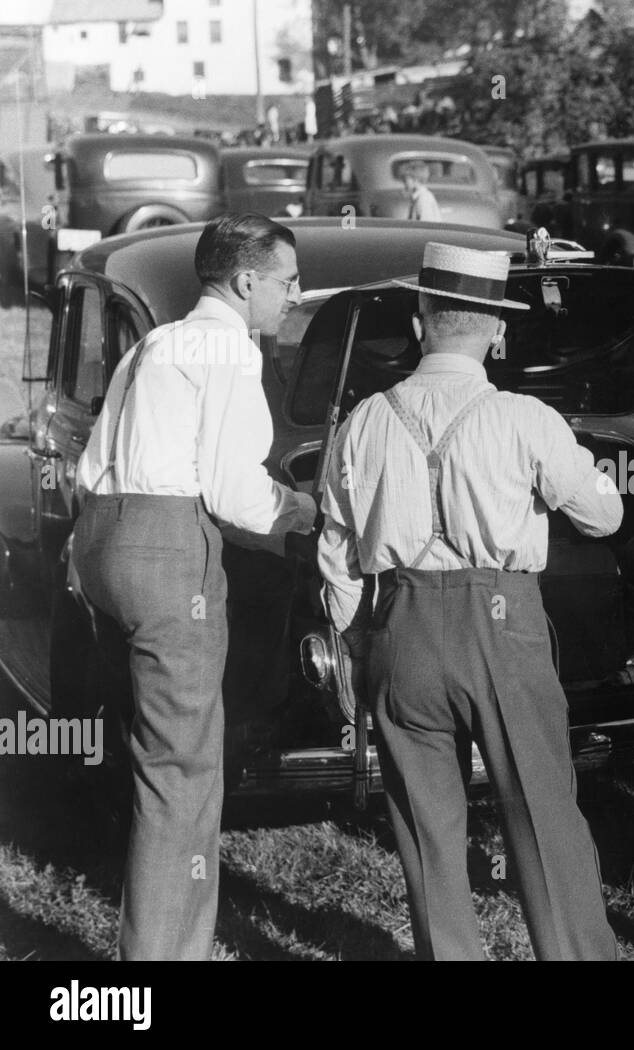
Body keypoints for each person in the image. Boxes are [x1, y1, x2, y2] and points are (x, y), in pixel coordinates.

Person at [317, 242, 622, 961]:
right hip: (501, 622)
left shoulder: (361, 421)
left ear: (421, 325)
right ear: (498, 330)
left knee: (426, 827)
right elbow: (603, 517)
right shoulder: (524, 416)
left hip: (398, 626)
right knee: (541, 809)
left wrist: (353, 639)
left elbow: (336, 548)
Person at [72, 214, 318, 960]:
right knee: (183, 771)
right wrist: (307, 509)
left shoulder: (158, 341)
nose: (295, 296)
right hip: (168, 548)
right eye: (288, 281)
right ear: (246, 281)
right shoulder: (231, 351)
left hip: (101, 541)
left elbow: (97, 461)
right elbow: (238, 497)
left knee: (154, 757)